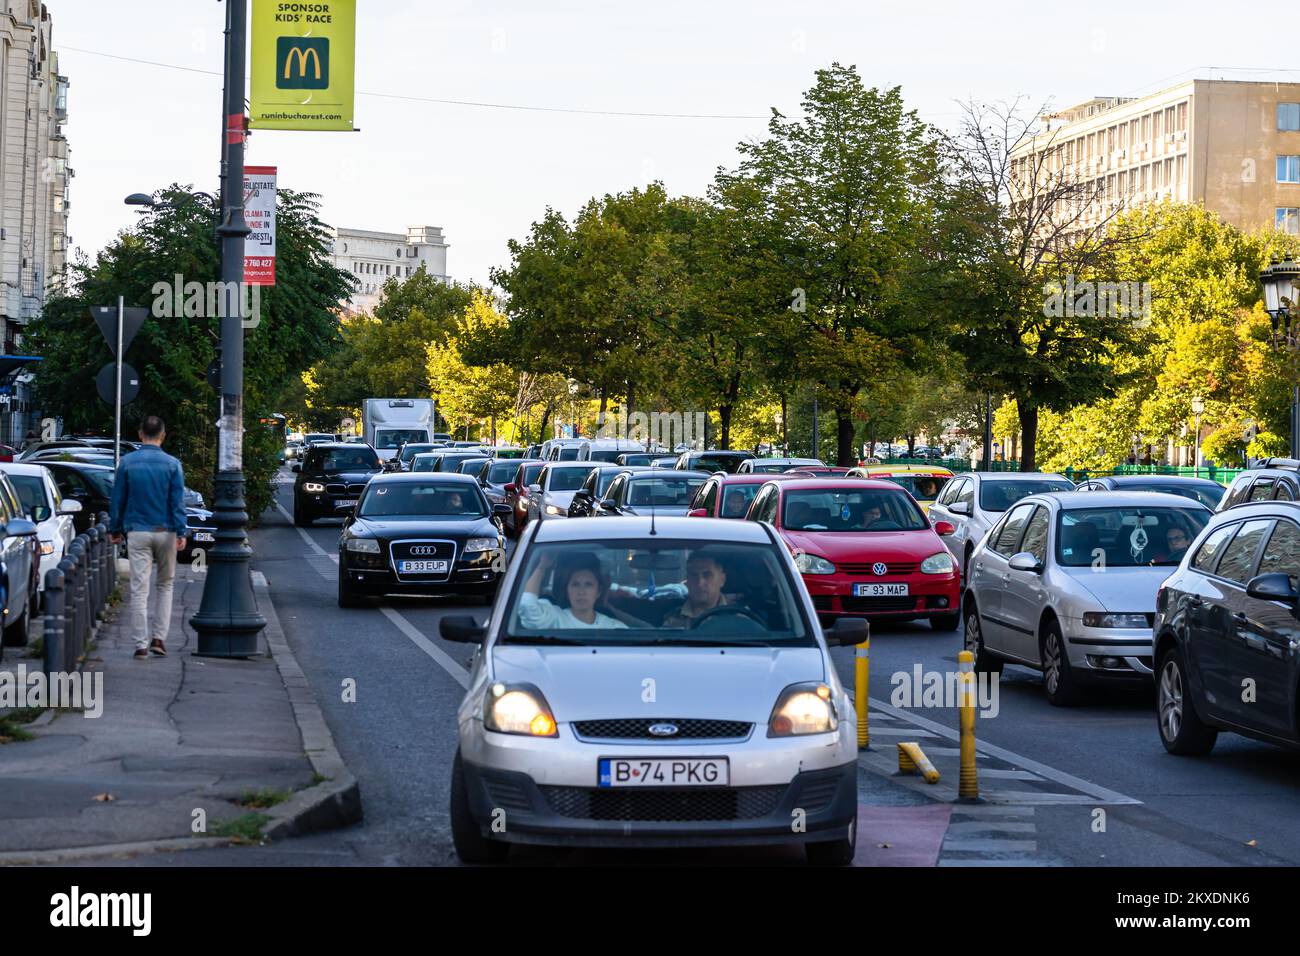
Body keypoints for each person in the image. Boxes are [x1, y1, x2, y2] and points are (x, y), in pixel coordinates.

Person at [108, 415, 187, 659]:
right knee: (165, 585)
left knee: (139, 588)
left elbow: (118, 499)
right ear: (162, 435)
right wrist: (181, 531)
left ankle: (140, 644)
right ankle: (159, 639)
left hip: (137, 531)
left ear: (141, 434)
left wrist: (115, 529)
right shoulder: (173, 464)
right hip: (165, 531)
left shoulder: (128, 463)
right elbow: (177, 502)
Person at [517, 552, 627, 629]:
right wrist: (542, 567)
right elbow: (527, 604)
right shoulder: (555, 618)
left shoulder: (613, 627)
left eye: (588, 585)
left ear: (598, 592)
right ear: (567, 591)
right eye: (575, 585)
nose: (581, 591)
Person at [663, 550, 740, 627]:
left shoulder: (739, 619)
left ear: (722, 580)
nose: (700, 583)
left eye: (707, 575)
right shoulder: (672, 621)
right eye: (694, 575)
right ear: (687, 581)